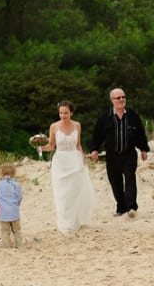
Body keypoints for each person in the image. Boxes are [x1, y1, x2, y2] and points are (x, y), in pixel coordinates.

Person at [89, 88, 149, 218]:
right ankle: (121, 207)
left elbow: (140, 134)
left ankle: (131, 206)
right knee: (115, 182)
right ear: (112, 100)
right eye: (118, 98)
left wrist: (144, 149)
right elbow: (97, 135)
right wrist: (94, 149)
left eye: (123, 97)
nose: (122, 100)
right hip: (112, 155)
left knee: (129, 178)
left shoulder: (132, 115)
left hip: (129, 154)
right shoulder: (105, 117)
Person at [37, 100, 95, 233]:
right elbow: (51, 145)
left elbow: (78, 145)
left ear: (71, 113)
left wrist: (82, 158)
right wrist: (40, 148)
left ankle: (74, 221)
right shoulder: (54, 126)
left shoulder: (77, 125)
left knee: (74, 192)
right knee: (62, 193)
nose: (63, 115)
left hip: (74, 159)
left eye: (66, 113)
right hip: (60, 161)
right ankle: (64, 222)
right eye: (61, 113)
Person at [0, 163, 23, 248]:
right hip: (14, 212)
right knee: (17, 230)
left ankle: (6, 246)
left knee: (5, 231)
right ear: (14, 174)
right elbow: (20, 197)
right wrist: (16, 204)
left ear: (1, 174)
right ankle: (19, 245)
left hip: (3, 213)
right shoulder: (16, 184)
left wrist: (0, 204)